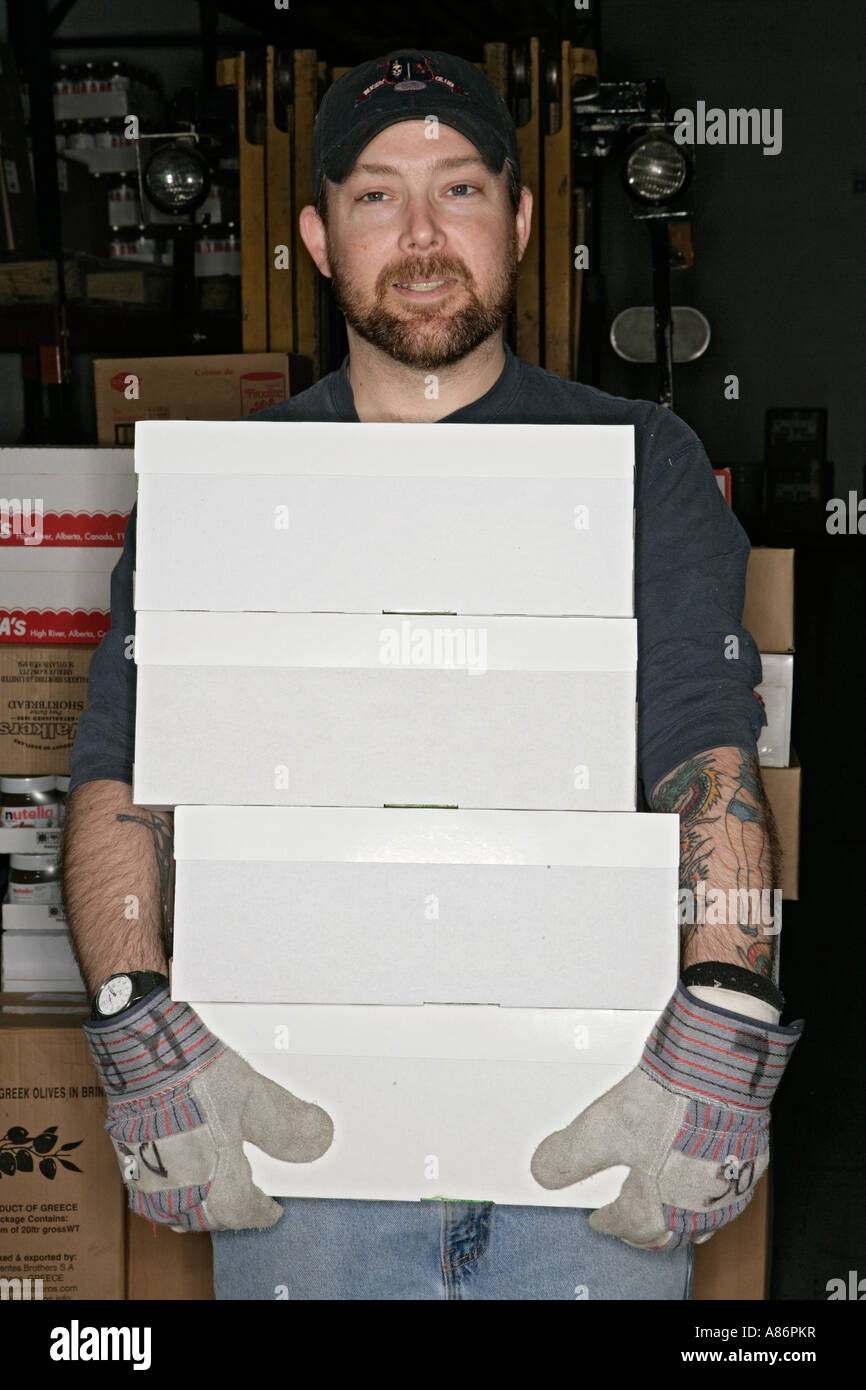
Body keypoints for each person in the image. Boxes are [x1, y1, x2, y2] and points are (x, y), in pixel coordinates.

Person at [61, 48, 803, 1301]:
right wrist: (137, 1014)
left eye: (457, 190)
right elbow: (125, 771)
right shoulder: (225, 489)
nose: (418, 233)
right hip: (310, 1158)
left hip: (588, 1138)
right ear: (315, 233)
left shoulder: (641, 458)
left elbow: (703, 749)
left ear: (517, 220)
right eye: (373, 195)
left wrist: (723, 1010)